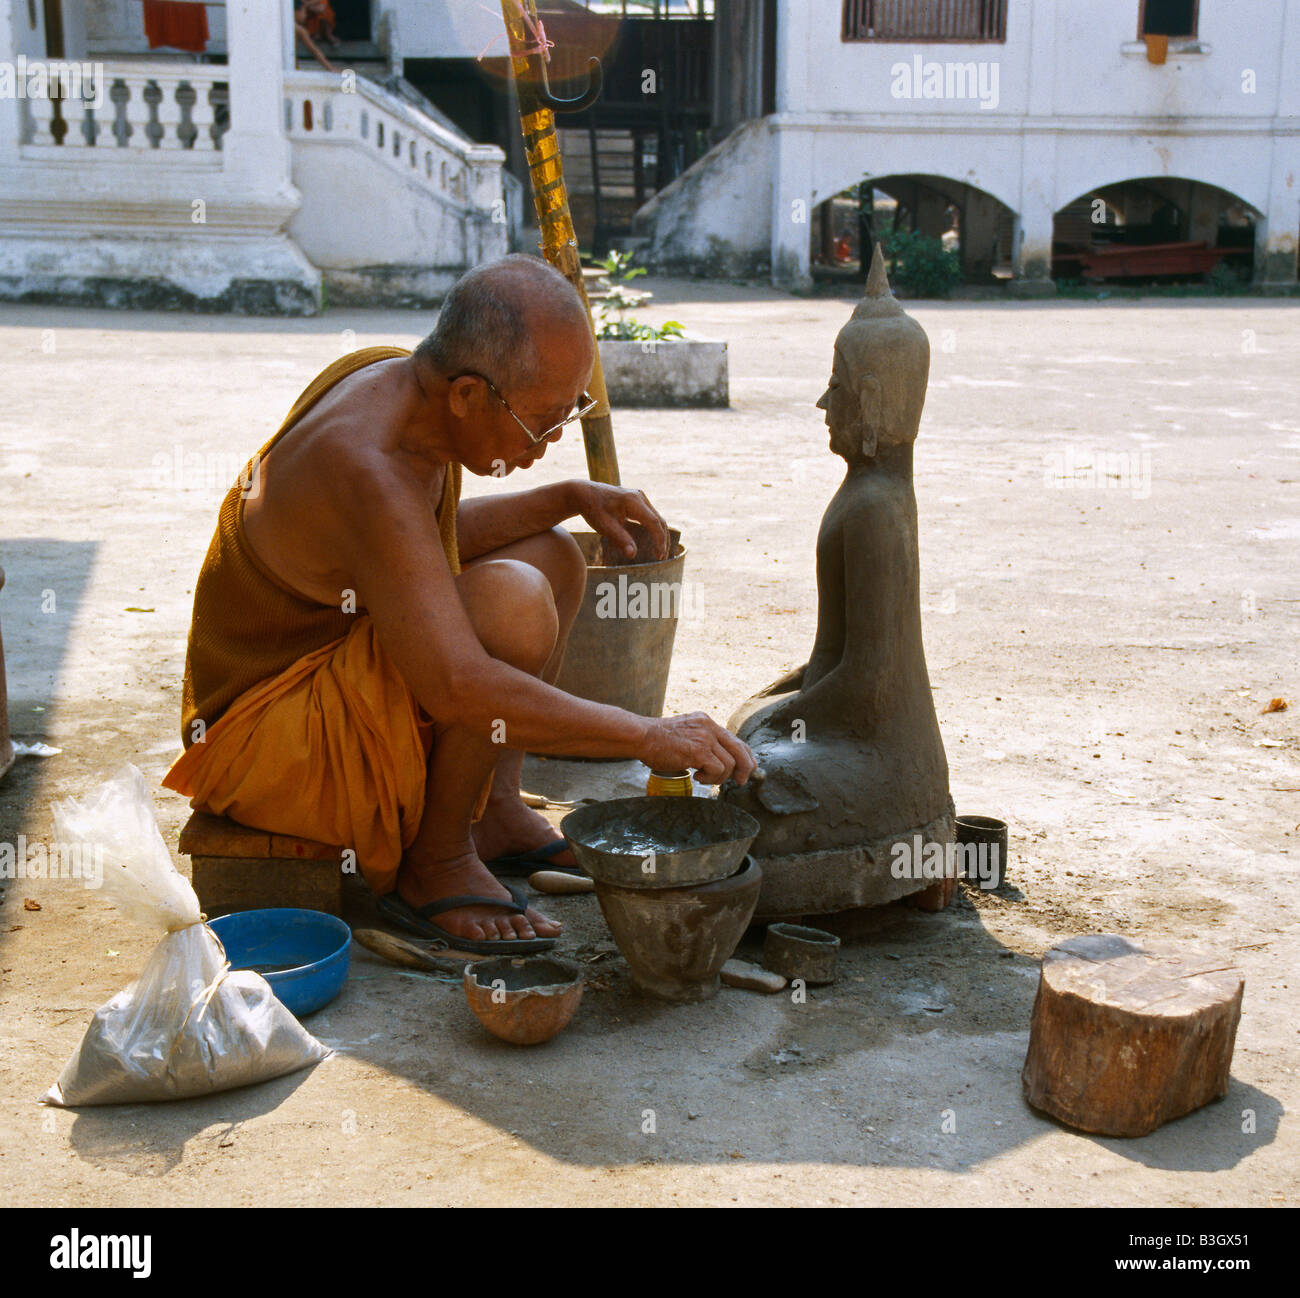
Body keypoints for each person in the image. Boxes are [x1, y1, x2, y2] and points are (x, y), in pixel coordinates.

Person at [163, 254, 756, 953]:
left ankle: (495, 812)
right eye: (542, 421)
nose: (554, 438)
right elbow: (457, 686)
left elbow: (417, 549)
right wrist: (648, 735)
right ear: (467, 394)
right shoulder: (365, 463)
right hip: (263, 744)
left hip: (331, 669)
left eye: (571, 412)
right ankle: (437, 861)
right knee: (509, 602)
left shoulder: (398, 379)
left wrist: (568, 497)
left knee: (555, 554)